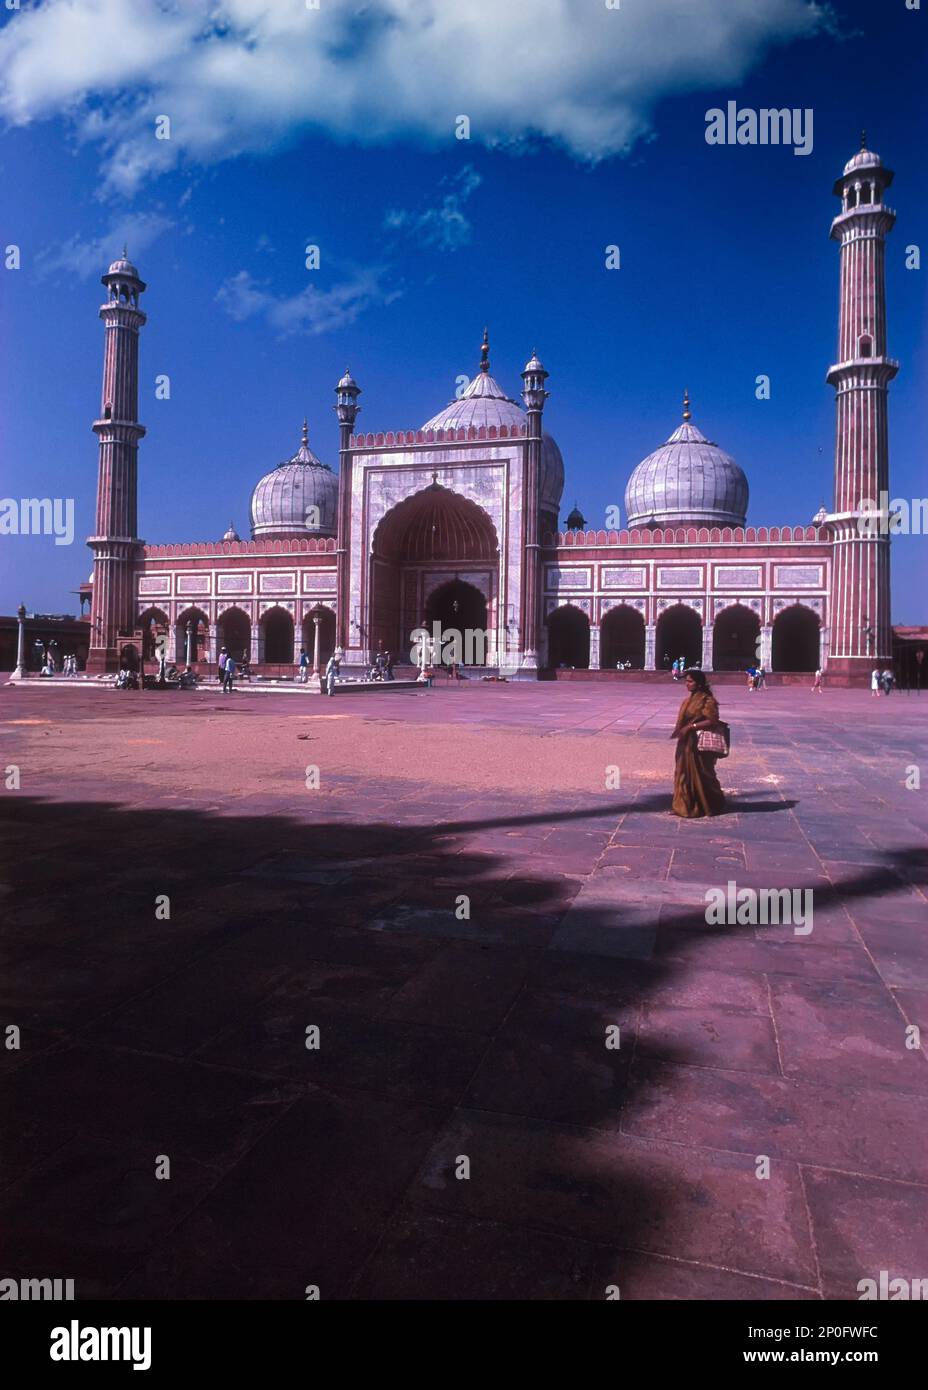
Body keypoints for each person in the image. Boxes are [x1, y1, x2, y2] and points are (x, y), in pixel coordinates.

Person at [670, 668, 726, 818]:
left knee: (702, 774)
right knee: (683, 773)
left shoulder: (707, 700)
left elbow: (712, 720)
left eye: (690, 681)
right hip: (686, 742)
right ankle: (683, 805)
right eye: (686, 681)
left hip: (698, 743)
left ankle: (710, 803)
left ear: (699, 683)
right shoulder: (688, 700)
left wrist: (691, 727)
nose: (687, 684)